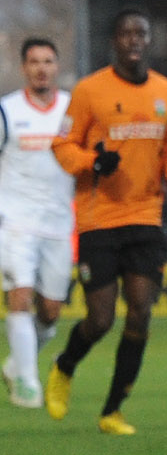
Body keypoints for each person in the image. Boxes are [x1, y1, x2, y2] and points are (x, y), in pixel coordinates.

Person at [49, 8, 167, 434]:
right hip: (99, 219)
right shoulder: (90, 91)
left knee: (141, 313)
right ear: (114, 40)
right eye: (126, 33)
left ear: (148, 40)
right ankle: (65, 365)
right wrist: (94, 161)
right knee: (101, 319)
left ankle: (112, 410)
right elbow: (62, 146)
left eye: (141, 33)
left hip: (145, 216)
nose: (134, 40)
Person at [0, 38, 75, 408]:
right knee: (19, 294)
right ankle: (27, 383)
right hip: (14, 220)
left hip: (59, 223)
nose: (41, 68)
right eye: (34, 62)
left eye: (48, 60)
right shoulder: (6, 111)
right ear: (24, 68)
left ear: (57, 66)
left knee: (50, 312)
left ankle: (17, 363)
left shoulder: (73, 109)